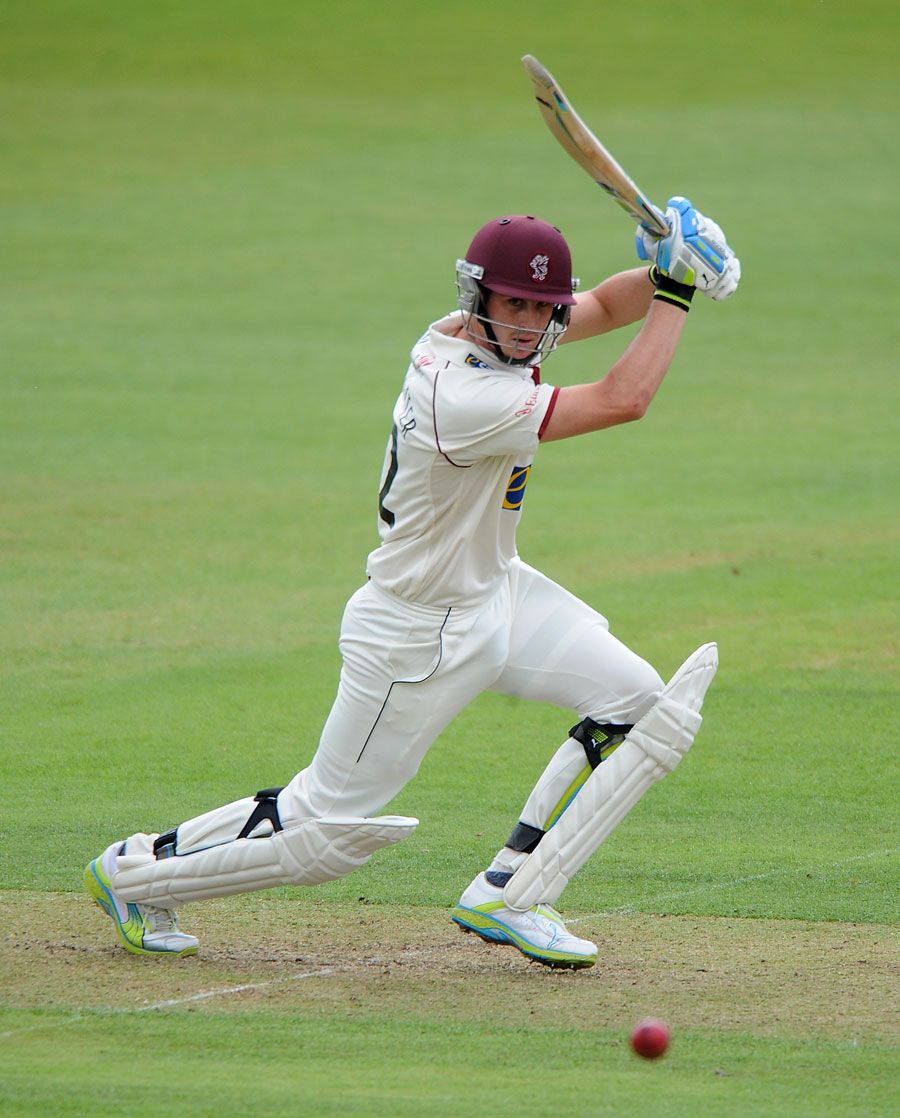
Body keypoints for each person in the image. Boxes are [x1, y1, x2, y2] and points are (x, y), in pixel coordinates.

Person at [85, 198, 740, 969]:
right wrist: (678, 291)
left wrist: (665, 264)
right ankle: (134, 872)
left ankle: (510, 892)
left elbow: (595, 305)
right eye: (515, 304)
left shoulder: (490, 340)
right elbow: (624, 399)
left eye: (542, 308)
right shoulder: (462, 393)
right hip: (414, 633)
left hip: (498, 593)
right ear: (479, 297)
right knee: (322, 832)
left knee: (640, 707)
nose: (530, 324)